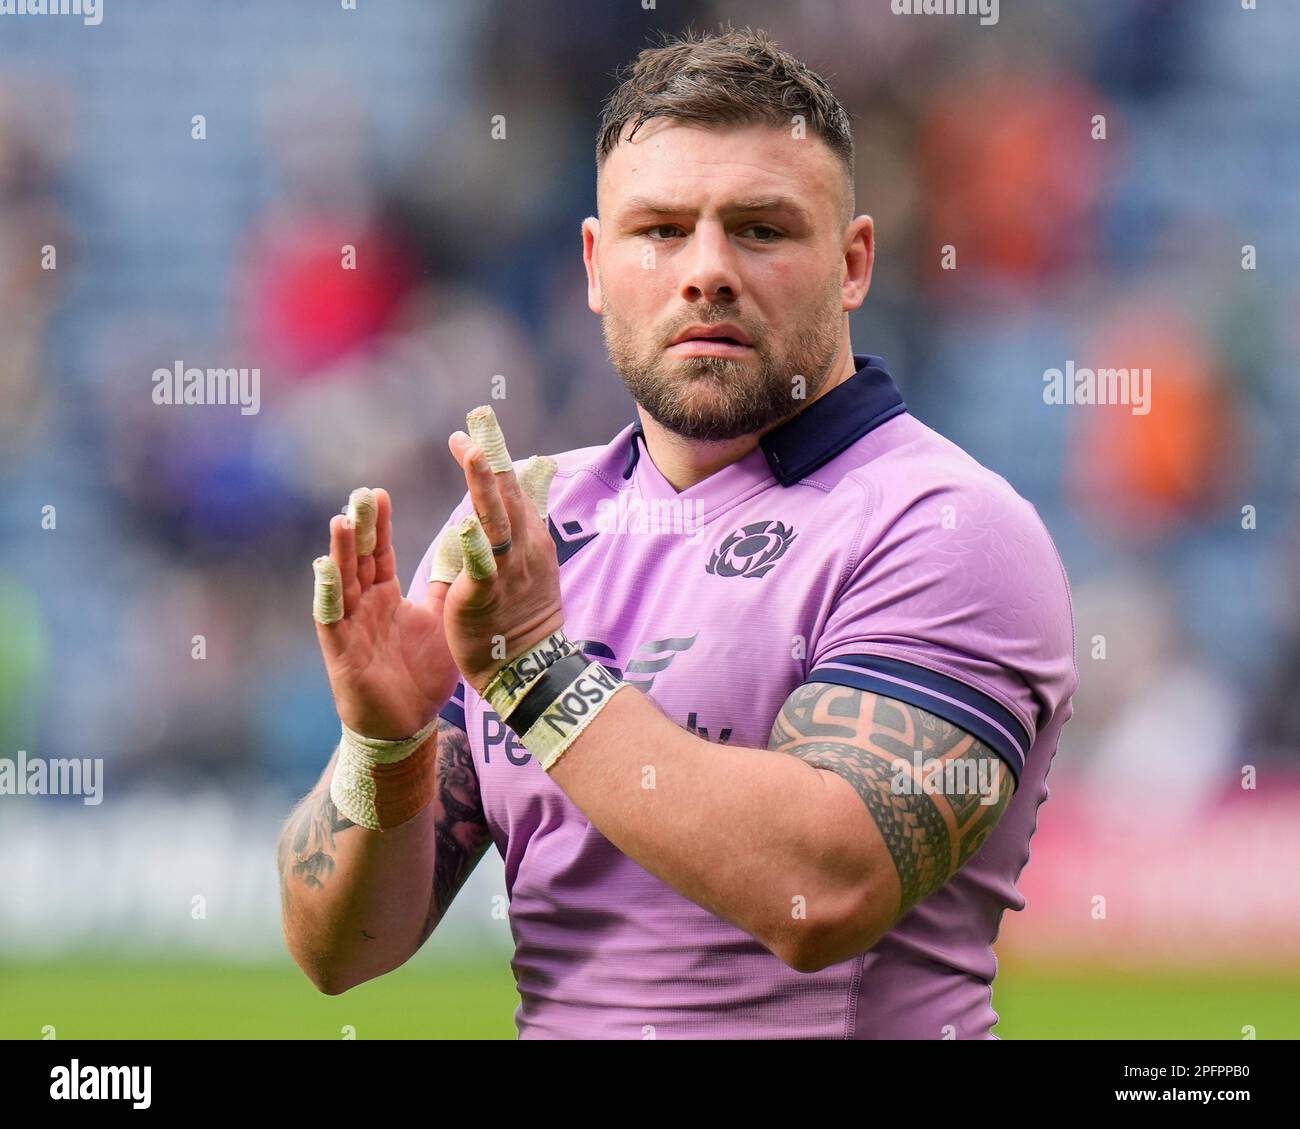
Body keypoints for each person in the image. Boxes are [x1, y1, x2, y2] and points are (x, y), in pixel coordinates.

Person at [278, 26, 1077, 1039]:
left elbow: (820, 892)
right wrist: (383, 746)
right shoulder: (522, 528)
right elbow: (338, 951)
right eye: (659, 229)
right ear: (595, 264)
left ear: (853, 262)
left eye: (761, 229)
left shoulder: (948, 527)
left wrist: (534, 672)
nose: (705, 270)